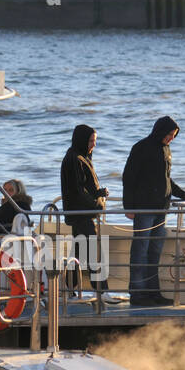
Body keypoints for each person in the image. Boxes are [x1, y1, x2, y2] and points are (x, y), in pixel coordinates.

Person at [121, 116, 185, 306]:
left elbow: (167, 180)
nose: (171, 138)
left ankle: (153, 292)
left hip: (162, 209)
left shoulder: (166, 150)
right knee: (140, 251)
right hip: (144, 208)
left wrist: (181, 193)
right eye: (169, 134)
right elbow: (128, 177)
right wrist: (128, 206)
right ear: (160, 131)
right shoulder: (141, 148)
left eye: (174, 136)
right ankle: (137, 293)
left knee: (155, 252)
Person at [60, 124, 110, 295]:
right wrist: (96, 202)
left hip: (81, 213)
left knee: (80, 252)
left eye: (94, 141)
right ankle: (101, 292)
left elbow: (82, 188)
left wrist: (99, 193)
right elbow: (78, 190)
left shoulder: (81, 157)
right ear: (82, 140)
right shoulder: (75, 159)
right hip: (82, 213)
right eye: (90, 141)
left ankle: (69, 288)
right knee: (94, 252)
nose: (93, 144)